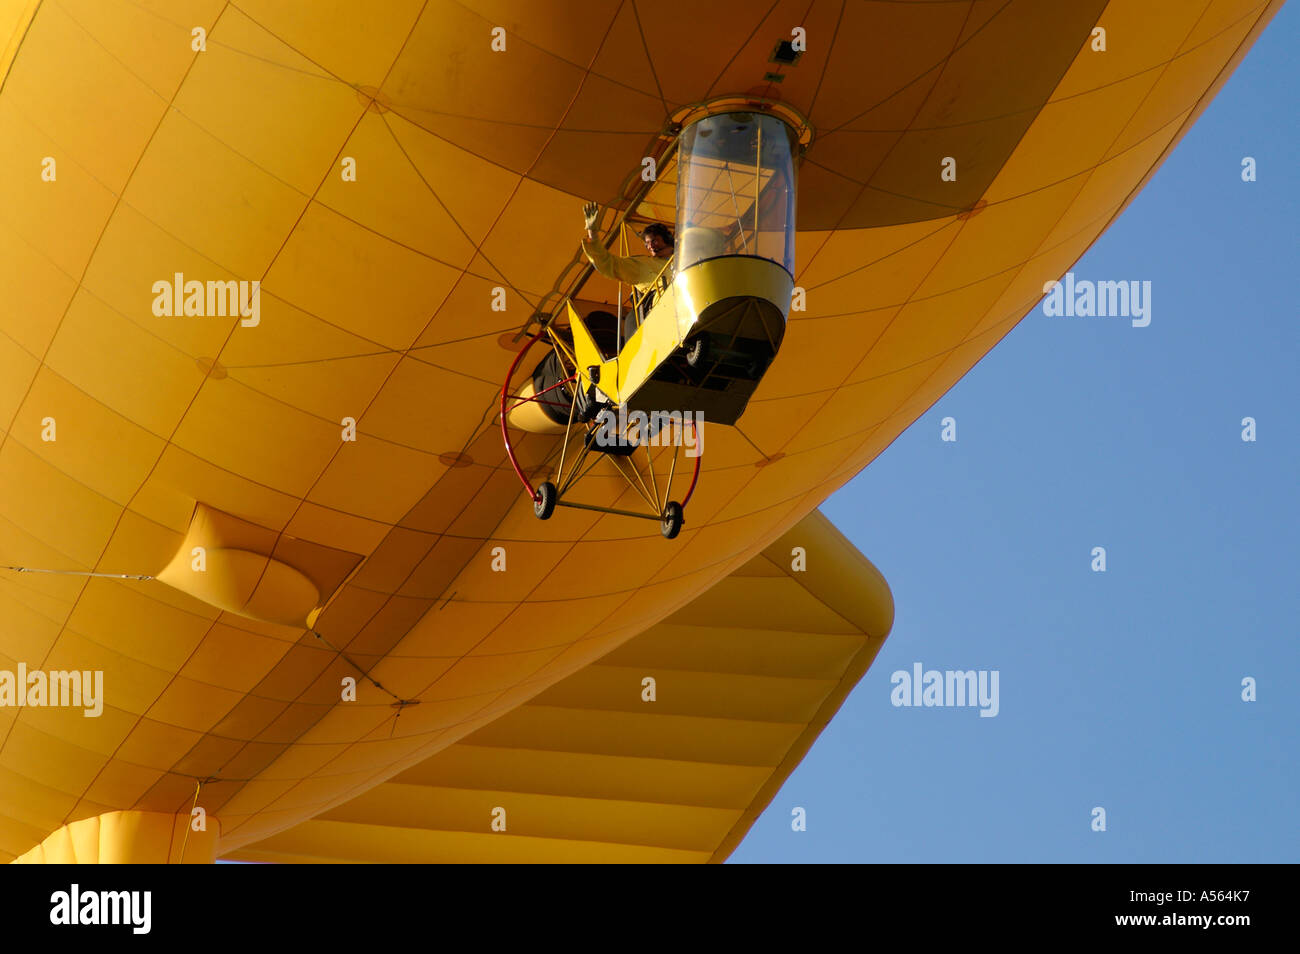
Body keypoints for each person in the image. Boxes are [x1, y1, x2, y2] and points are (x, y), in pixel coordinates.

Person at [580, 203, 674, 339]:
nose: (650, 247)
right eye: (647, 244)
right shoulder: (641, 264)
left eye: (654, 241)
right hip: (664, 307)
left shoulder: (686, 253)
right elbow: (608, 262)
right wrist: (592, 233)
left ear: (666, 238)